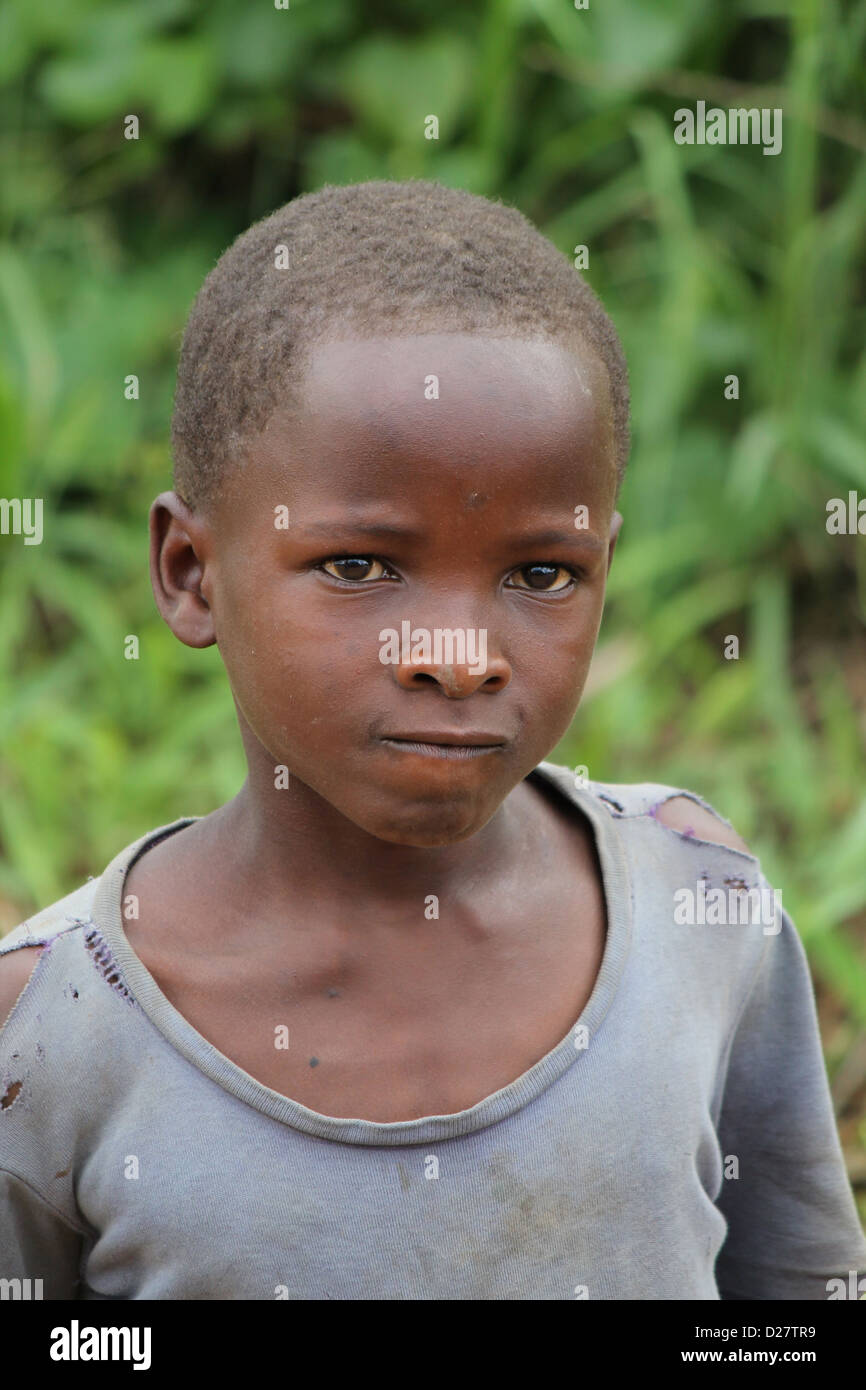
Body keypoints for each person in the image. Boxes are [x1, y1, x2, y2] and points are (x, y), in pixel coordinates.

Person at [1, 179, 864, 1300]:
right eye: (359, 565)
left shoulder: (700, 912)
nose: (457, 653)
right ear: (189, 573)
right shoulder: (58, 1033)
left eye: (539, 573)